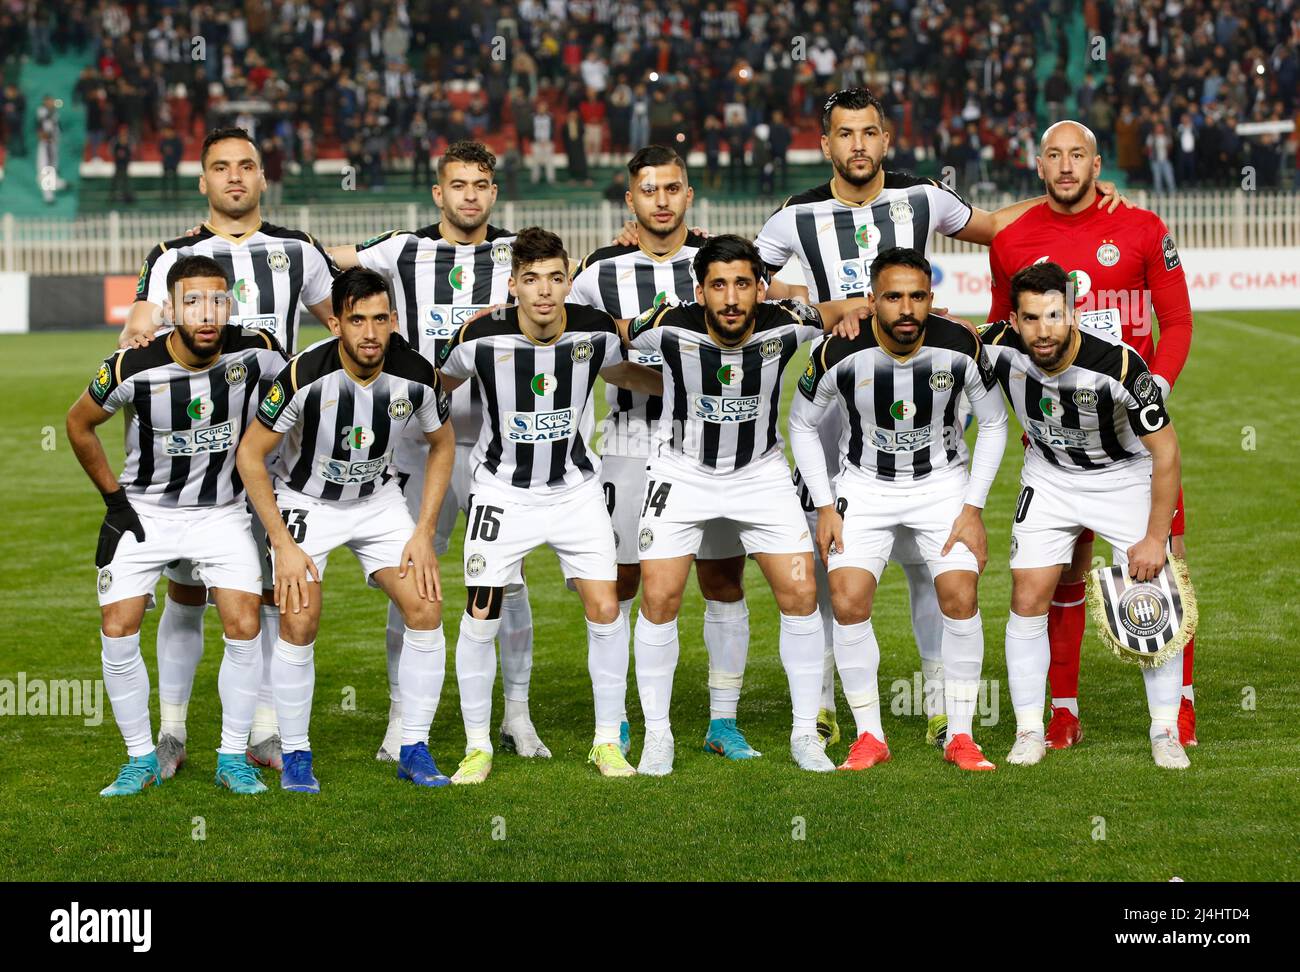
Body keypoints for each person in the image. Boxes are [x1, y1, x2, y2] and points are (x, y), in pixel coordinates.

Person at [754, 88, 1127, 752]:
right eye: (846, 134)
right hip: (840, 392)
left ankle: (937, 704)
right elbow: (749, 284)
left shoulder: (923, 197)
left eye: (870, 132)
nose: (859, 146)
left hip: (925, 391)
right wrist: (825, 306)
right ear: (827, 143)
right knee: (832, 560)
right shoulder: (794, 216)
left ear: (886, 139)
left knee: (937, 567)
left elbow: (995, 226)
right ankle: (826, 707)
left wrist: (1078, 200)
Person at [120, 126, 337, 778]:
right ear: (203, 181)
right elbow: (139, 333)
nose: (235, 177)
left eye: (247, 166)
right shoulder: (170, 254)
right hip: (196, 460)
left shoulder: (298, 250)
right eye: (222, 167)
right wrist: (138, 324)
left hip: (273, 457)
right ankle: (174, 729)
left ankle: (265, 730)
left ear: (263, 177)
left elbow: (338, 327)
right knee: (187, 595)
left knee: (268, 594)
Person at [328, 140, 545, 761]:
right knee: (410, 577)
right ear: (438, 193)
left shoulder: (518, 253)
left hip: (505, 443)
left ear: (494, 192)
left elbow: (570, 277)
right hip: (420, 443)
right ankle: (402, 719)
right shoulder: (404, 249)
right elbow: (319, 260)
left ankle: (518, 716)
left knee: (512, 578)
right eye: (459, 184)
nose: (470, 195)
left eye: (481, 184)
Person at [625, 235, 870, 776]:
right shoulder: (666, 323)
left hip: (760, 474)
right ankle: (658, 737)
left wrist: (860, 309)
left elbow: (831, 311)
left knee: (802, 592)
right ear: (700, 291)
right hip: (681, 473)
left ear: (760, 287)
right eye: (719, 285)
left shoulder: (787, 321)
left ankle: (806, 735)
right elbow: (608, 337)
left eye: (742, 284)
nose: (732, 298)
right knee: (661, 596)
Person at [986, 119, 1196, 747]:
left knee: (1166, 570)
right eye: (1055, 156)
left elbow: (1178, 320)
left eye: (1078, 155)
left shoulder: (1141, 227)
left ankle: (1179, 706)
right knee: (1060, 576)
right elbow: (1001, 331)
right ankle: (1062, 711)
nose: (1067, 166)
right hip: (1055, 443)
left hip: (1132, 438)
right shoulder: (1015, 239)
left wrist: (1154, 387)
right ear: (1039, 165)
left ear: (1098, 164)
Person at [435, 227, 663, 783]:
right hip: (501, 491)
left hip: (576, 490)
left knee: (605, 608)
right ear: (512, 284)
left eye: (555, 278)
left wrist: (684, 386)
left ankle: (607, 743)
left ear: (569, 281)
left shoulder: (596, 331)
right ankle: (477, 746)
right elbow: (434, 385)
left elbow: (621, 373)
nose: (544, 291)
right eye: (531, 280)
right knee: (481, 611)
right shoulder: (477, 337)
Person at [65, 254, 287, 796]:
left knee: (244, 622)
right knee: (117, 628)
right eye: (192, 300)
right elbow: (78, 424)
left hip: (223, 513)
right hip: (146, 512)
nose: (206, 312)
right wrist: (115, 504)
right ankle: (141, 757)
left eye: (216, 299)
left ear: (229, 304)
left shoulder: (257, 350)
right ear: (169, 309)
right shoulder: (130, 366)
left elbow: (304, 390)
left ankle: (232, 756)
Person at [235, 268, 457, 793]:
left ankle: (414, 748)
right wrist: (282, 546)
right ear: (336, 322)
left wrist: (422, 531)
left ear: (394, 320)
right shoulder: (303, 376)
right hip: (306, 501)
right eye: (357, 320)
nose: (370, 333)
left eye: (381, 319)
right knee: (300, 618)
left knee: (426, 608)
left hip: (378, 501)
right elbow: (250, 453)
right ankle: (295, 754)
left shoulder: (417, 374)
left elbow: (442, 443)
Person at [789, 247, 1008, 771]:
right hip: (864, 486)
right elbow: (799, 423)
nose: (906, 308)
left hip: (942, 485)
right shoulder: (836, 351)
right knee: (846, 600)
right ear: (872, 300)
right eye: (892, 297)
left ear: (932, 298)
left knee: (959, 595)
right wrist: (825, 506)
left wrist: (972, 508)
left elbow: (996, 423)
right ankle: (870, 735)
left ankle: (960, 734)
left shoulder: (960, 344)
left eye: (916, 296)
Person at [569, 145, 756, 760]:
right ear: (631, 200)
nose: (661, 200)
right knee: (622, 581)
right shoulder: (600, 272)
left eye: (672, 188)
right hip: (627, 442)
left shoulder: (717, 262)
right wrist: (679, 381)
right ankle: (619, 718)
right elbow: (599, 362)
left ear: (688, 195)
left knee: (722, 578)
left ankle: (722, 722)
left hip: (710, 445)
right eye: (648, 190)